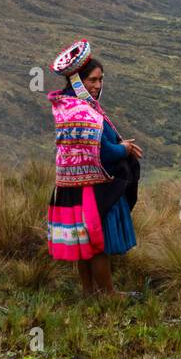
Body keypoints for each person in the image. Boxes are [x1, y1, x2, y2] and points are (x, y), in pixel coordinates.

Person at [46, 40, 142, 295]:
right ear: (78, 81)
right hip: (92, 187)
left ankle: (89, 291)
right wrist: (124, 149)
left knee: (84, 241)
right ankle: (109, 296)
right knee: (96, 243)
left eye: (101, 80)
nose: (98, 86)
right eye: (92, 80)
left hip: (71, 185)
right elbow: (102, 152)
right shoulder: (81, 111)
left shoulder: (69, 105)